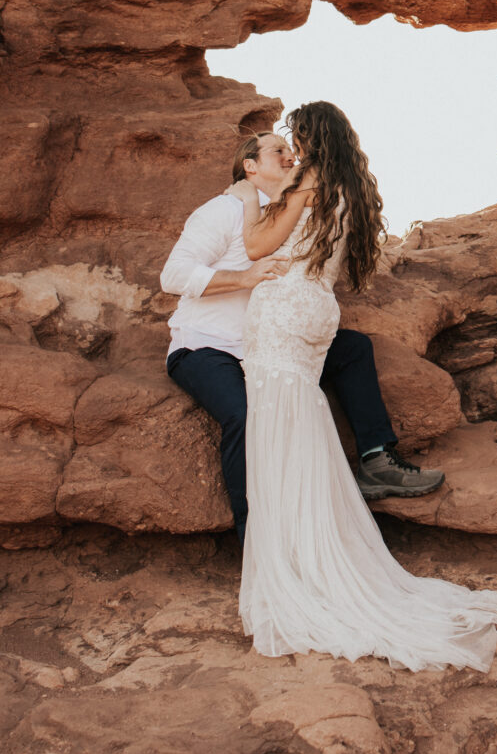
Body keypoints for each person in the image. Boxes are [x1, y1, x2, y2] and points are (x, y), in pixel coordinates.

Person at [229, 100, 497, 669]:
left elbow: (257, 248)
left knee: (278, 435)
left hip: (283, 312)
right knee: (301, 428)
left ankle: (298, 568)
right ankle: (313, 551)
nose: (290, 147)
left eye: (295, 137)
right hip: (317, 309)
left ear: (311, 138)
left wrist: (253, 202)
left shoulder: (307, 180)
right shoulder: (346, 186)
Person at [161, 131, 444, 544]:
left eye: (294, 150)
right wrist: (243, 277)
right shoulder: (223, 210)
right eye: (279, 151)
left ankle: (375, 459)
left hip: (272, 342)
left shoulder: (293, 209)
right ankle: (252, 539)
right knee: (243, 414)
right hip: (208, 345)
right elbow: (173, 275)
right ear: (250, 166)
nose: (292, 157)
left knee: (354, 350)